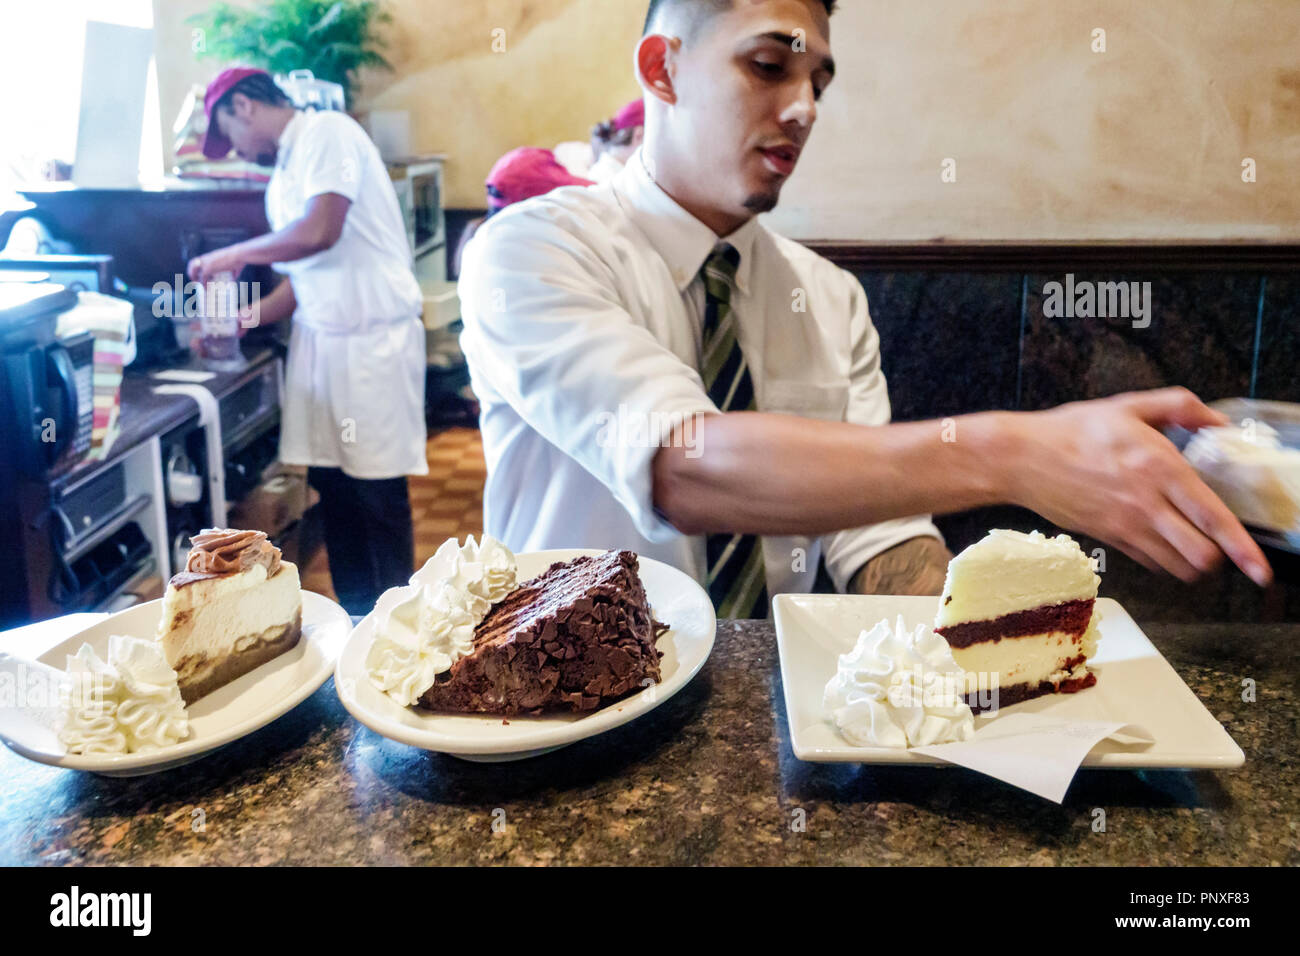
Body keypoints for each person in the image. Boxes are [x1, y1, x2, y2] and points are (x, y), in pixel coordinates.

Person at [458, 0, 1271, 619]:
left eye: (817, 81)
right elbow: (677, 466)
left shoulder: (830, 297)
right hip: (563, 710)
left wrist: (979, 644)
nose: (806, 107)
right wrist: (1015, 455)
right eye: (770, 66)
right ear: (662, 69)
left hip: (778, 726)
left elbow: (874, 533)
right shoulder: (530, 251)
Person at [187, 67, 427, 616]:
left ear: (244, 106)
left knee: (377, 497)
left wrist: (235, 254)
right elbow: (306, 276)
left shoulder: (328, 133)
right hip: (321, 345)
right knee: (335, 494)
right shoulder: (284, 174)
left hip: (370, 342)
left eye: (231, 133)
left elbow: (321, 231)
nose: (240, 151)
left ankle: (401, 621)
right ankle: (357, 620)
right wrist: (249, 317)